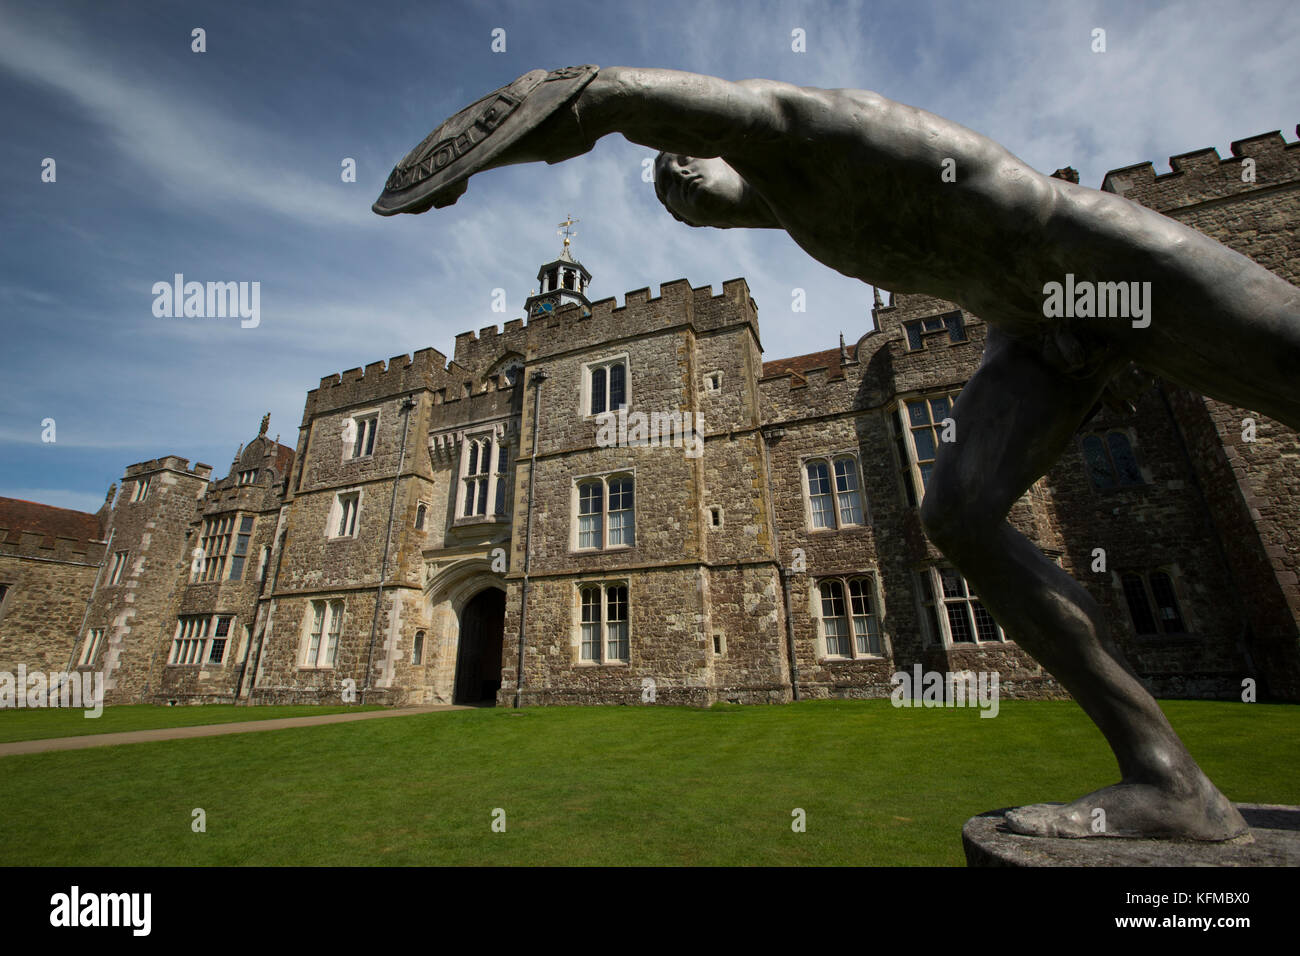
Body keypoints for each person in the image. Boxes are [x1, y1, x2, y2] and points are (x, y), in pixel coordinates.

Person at [391, 66, 1300, 840]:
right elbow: (739, 205)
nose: (673, 182)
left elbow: (608, 93)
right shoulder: (798, 219)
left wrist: (470, 151)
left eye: (680, 162)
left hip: (1101, 259)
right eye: (662, 184)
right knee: (955, 517)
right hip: (1028, 323)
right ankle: (1171, 784)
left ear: (717, 137)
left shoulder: (809, 124)